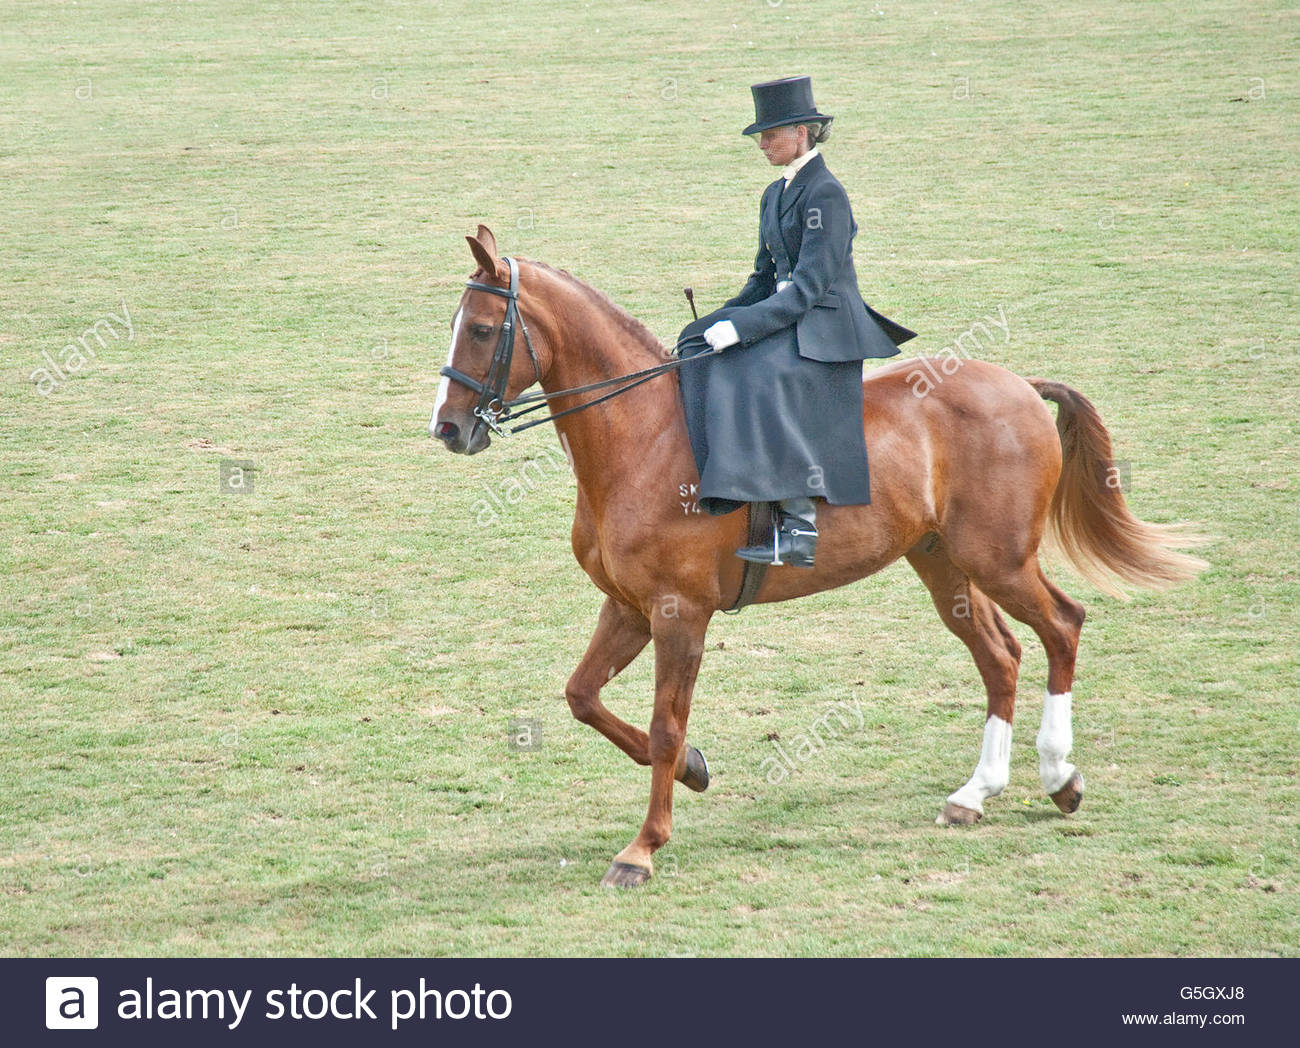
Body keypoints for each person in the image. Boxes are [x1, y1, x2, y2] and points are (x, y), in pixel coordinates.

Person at [677, 75, 916, 567]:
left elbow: (807, 289)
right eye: (760, 137)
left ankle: (800, 524)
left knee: (761, 374)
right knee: (694, 344)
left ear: (802, 133)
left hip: (825, 323)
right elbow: (764, 277)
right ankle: (720, 480)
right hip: (789, 312)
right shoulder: (774, 193)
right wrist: (721, 319)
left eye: (771, 135)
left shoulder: (826, 193)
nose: (763, 145)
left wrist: (743, 329)